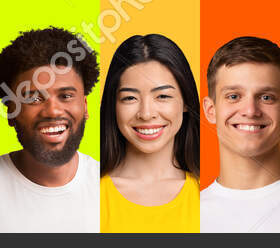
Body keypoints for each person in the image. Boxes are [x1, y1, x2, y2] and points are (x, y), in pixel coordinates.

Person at [0, 27, 100, 232]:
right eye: (33, 98)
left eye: (66, 96)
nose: (53, 111)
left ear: (86, 107)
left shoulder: (113, 188)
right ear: (11, 111)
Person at [99, 34, 202, 232]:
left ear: (186, 102)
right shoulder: (87, 196)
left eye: (163, 96)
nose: (146, 114)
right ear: (114, 106)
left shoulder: (210, 195)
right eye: (129, 98)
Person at [199, 36, 280, 232]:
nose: (250, 110)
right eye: (234, 96)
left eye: (266, 97)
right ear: (210, 110)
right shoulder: (186, 219)